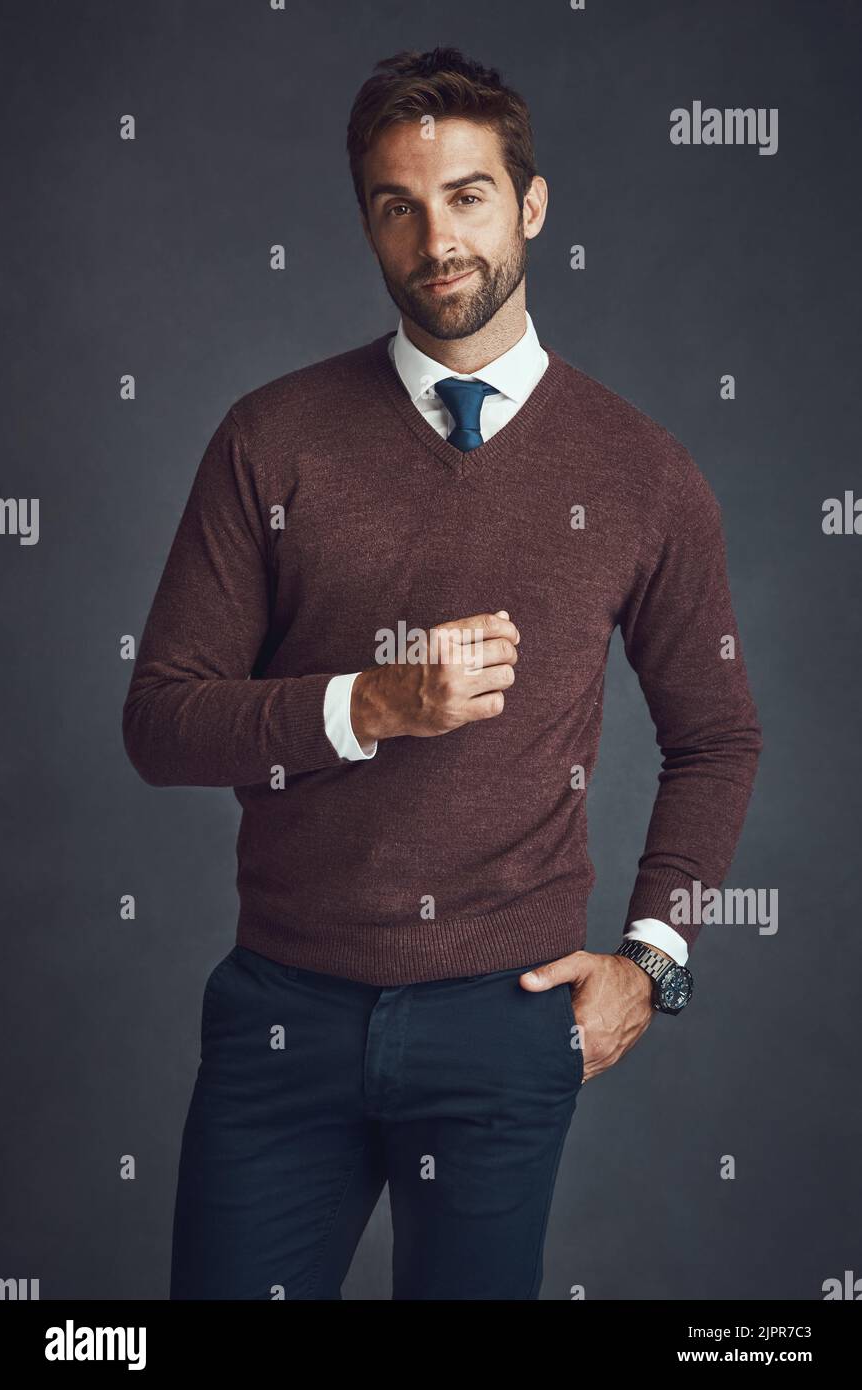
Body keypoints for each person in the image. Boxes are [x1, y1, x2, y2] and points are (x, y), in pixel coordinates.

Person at [122, 46, 762, 1300]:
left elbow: (718, 736)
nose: (436, 239)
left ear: (530, 206)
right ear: (365, 221)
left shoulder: (644, 469)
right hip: (281, 1016)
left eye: (467, 195)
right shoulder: (272, 437)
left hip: (503, 1021)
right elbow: (159, 722)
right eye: (397, 204)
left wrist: (654, 959)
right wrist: (366, 704)